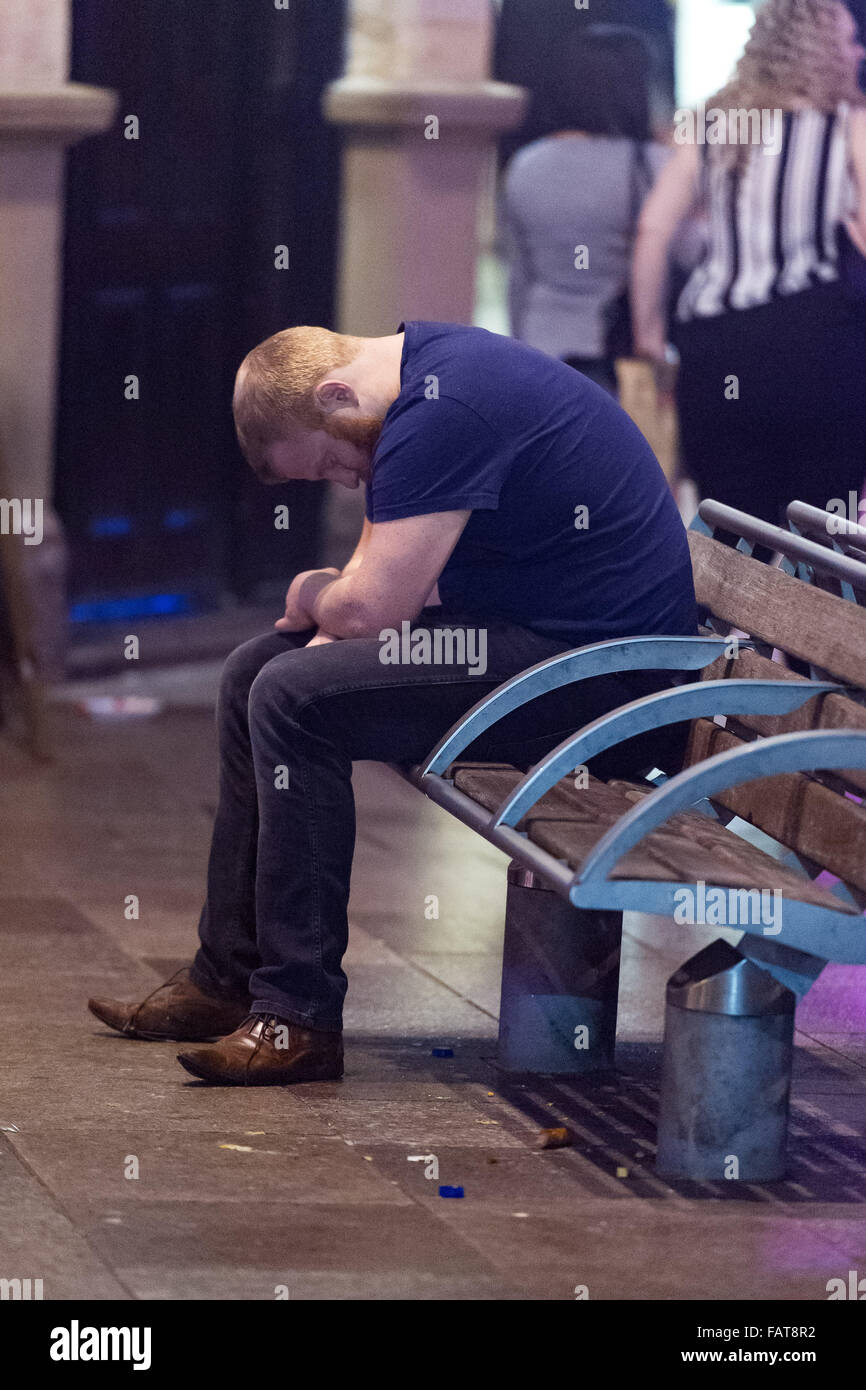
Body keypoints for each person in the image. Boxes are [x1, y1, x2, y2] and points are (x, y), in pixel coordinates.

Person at [88, 321, 696, 1085]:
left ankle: (298, 1016)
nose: (347, 480)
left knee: (293, 695)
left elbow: (370, 608)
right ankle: (226, 979)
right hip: (547, 648)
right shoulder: (422, 383)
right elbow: (378, 586)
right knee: (256, 670)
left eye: (335, 463)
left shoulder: (444, 409)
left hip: (609, 690)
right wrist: (335, 606)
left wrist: (315, 592)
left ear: (335, 394)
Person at [631, 0, 866, 526]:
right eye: (850, 39)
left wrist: (649, 336)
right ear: (822, 47)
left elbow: (652, 229)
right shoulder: (849, 124)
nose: (859, 50)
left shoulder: (713, 122)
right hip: (819, 343)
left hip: (717, 346)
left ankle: (721, 610)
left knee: (731, 523)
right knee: (823, 528)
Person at [501, 26, 669, 394]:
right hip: (619, 357)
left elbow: (519, 273)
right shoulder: (658, 167)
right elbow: (688, 255)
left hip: (539, 348)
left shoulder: (527, 164)